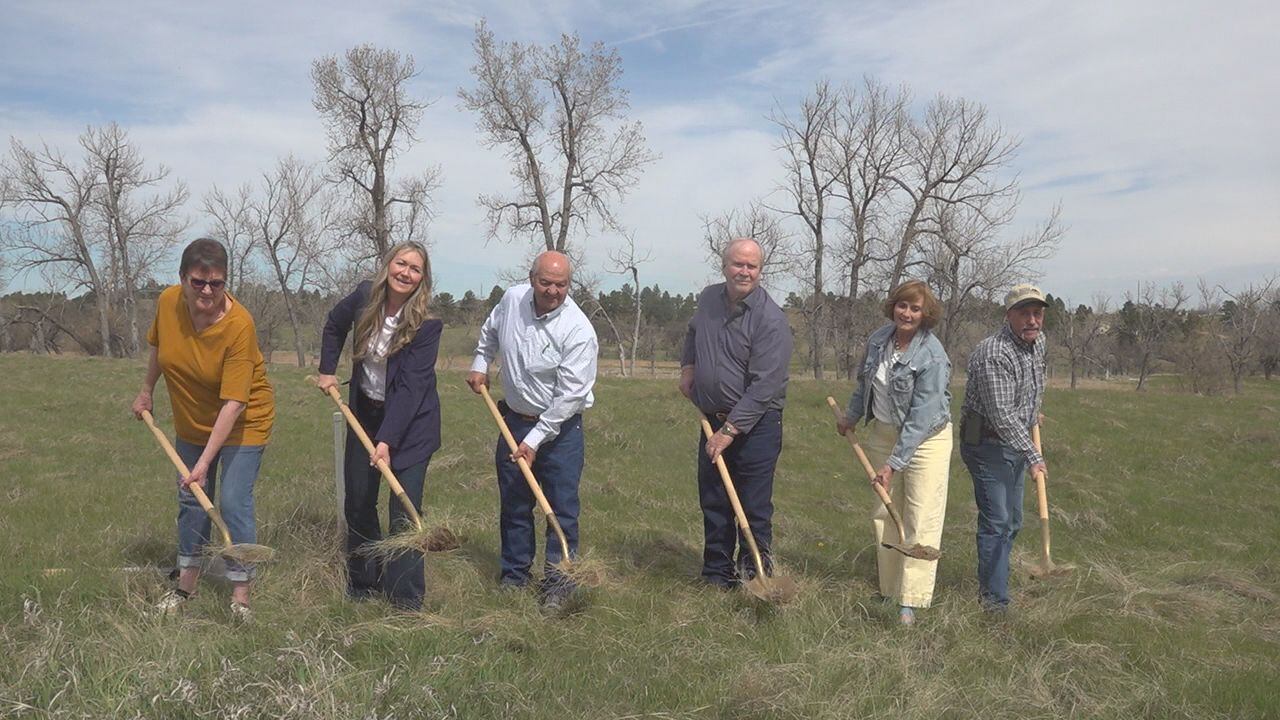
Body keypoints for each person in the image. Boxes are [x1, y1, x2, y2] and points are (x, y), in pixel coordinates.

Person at [132, 238, 275, 622]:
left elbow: (234, 403)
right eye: (198, 282)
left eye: (217, 283)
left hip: (244, 421)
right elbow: (158, 349)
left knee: (230, 501)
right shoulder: (167, 304)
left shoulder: (239, 325)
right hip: (191, 418)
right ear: (182, 279)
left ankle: (241, 597)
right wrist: (146, 391)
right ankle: (186, 587)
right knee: (192, 501)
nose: (208, 291)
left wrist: (204, 465)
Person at [466, 251, 598, 611]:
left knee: (561, 508)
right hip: (512, 420)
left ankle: (558, 584)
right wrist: (482, 361)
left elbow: (569, 397)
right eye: (546, 282)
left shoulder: (578, 330)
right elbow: (491, 330)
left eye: (561, 284)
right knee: (515, 504)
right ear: (531, 278)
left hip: (560, 432)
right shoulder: (511, 300)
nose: (553, 291)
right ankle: (514, 576)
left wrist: (535, 440)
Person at [317, 241, 442, 611]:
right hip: (364, 415)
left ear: (422, 279)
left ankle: (405, 596)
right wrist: (327, 370)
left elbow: (411, 389)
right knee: (358, 500)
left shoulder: (427, 325)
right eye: (401, 264)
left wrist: (387, 440)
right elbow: (333, 326)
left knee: (403, 510)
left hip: (411, 426)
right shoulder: (362, 296)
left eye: (415, 269)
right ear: (388, 265)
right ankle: (364, 583)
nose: (405, 272)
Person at [836, 281, 952, 625]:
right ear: (893, 306)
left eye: (916, 309)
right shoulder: (878, 340)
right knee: (884, 511)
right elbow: (864, 384)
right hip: (884, 434)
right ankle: (889, 589)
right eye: (903, 305)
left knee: (920, 514)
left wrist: (894, 464)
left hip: (926, 440)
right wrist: (851, 417)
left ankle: (911, 600)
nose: (908, 313)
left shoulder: (932, 355)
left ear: (925, 314)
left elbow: (921, 417)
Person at [680, 238, 793, 589]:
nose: (744, 272)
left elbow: (765, 387)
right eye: (738, 264)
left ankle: (754, 577)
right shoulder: (709, 299)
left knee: (752, 505)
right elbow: (693, 331)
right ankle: (716, 573)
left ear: (760, 270)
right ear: (724, 265)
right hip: (712, 416)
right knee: (714, 499)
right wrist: (688, 368)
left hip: (756, 426)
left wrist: (728, 432)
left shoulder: (771, 319)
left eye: (752, 266)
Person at [959, 283, 1049, 612]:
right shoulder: (993, 354)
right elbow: (1000, 415)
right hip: (985, 442)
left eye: (1037, 313)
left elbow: (1034, 384)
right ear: (1008, 315)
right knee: (996, 522)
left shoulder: (1038, 344)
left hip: (1015, 441)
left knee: (1013, 521)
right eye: (1024, 313)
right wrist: (1033, 455)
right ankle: (994, 603)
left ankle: (997, 579)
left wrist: (1032, 411)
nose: (1032, 320)